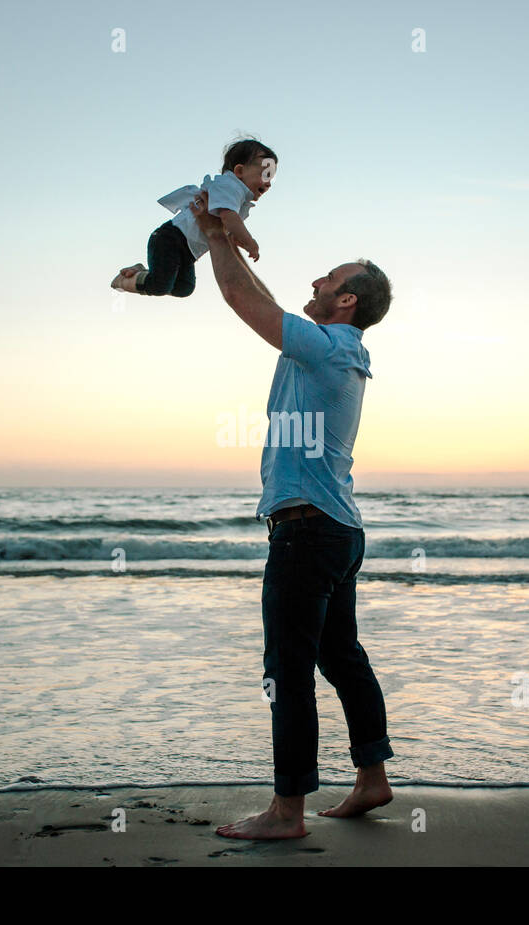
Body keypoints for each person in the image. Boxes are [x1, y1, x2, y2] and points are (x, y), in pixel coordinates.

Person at [185, 190, 395, 840]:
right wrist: (225, 232)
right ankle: (372, 778)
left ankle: (286, 813)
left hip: (306, 534)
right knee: (342, 658)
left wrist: (216, 239)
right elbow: (268, 300)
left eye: (328, 279)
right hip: (337, 531)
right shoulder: (332, 348)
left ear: (347, 301)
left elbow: (243, 302)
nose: (315, 280)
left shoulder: (328, 349)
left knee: (289, 672)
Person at [110, 139, 276, 297]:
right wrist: (249, 241)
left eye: (272, 177)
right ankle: (126, 281)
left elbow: (228, 229)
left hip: (188, 251)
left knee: (184, 287)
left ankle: (146, 274)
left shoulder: (238, 200)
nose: (269, 183)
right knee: (160, 286)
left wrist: (238, 240)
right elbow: (228, 218)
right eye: (265, 174)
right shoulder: (230, 186)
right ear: (239, 171)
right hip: (172, 239)